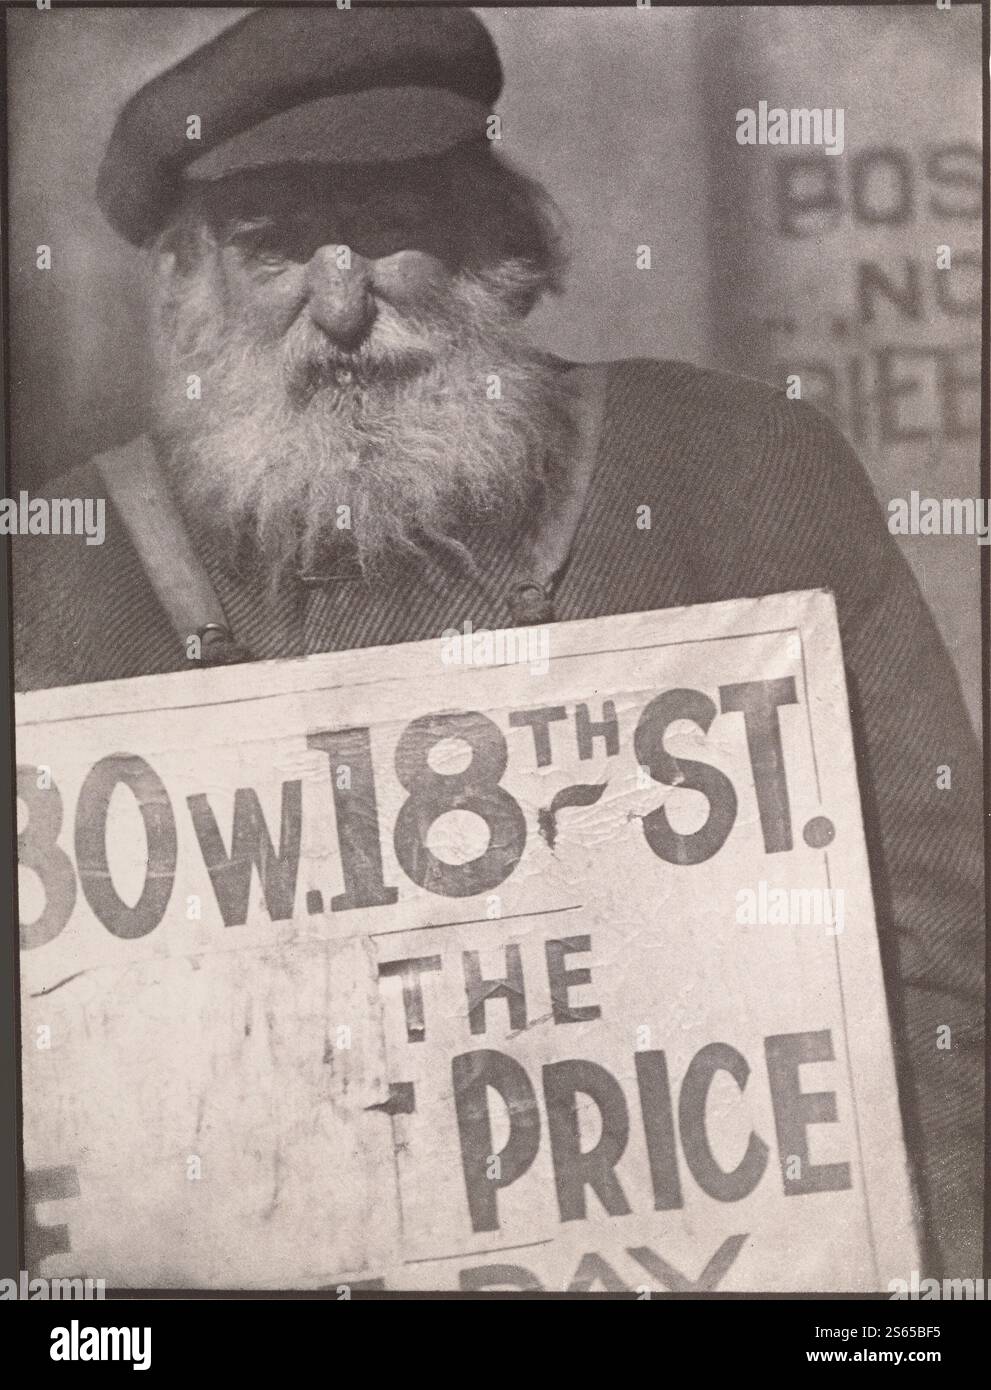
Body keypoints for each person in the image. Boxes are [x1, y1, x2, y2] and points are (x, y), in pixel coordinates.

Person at [10, 7, 983, 1280]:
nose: (344, 303)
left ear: (496, 241)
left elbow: (937, 981)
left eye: (390, 224)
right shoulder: (58, 579)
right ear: (184, 292)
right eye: (274, 246)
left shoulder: (739, 475)